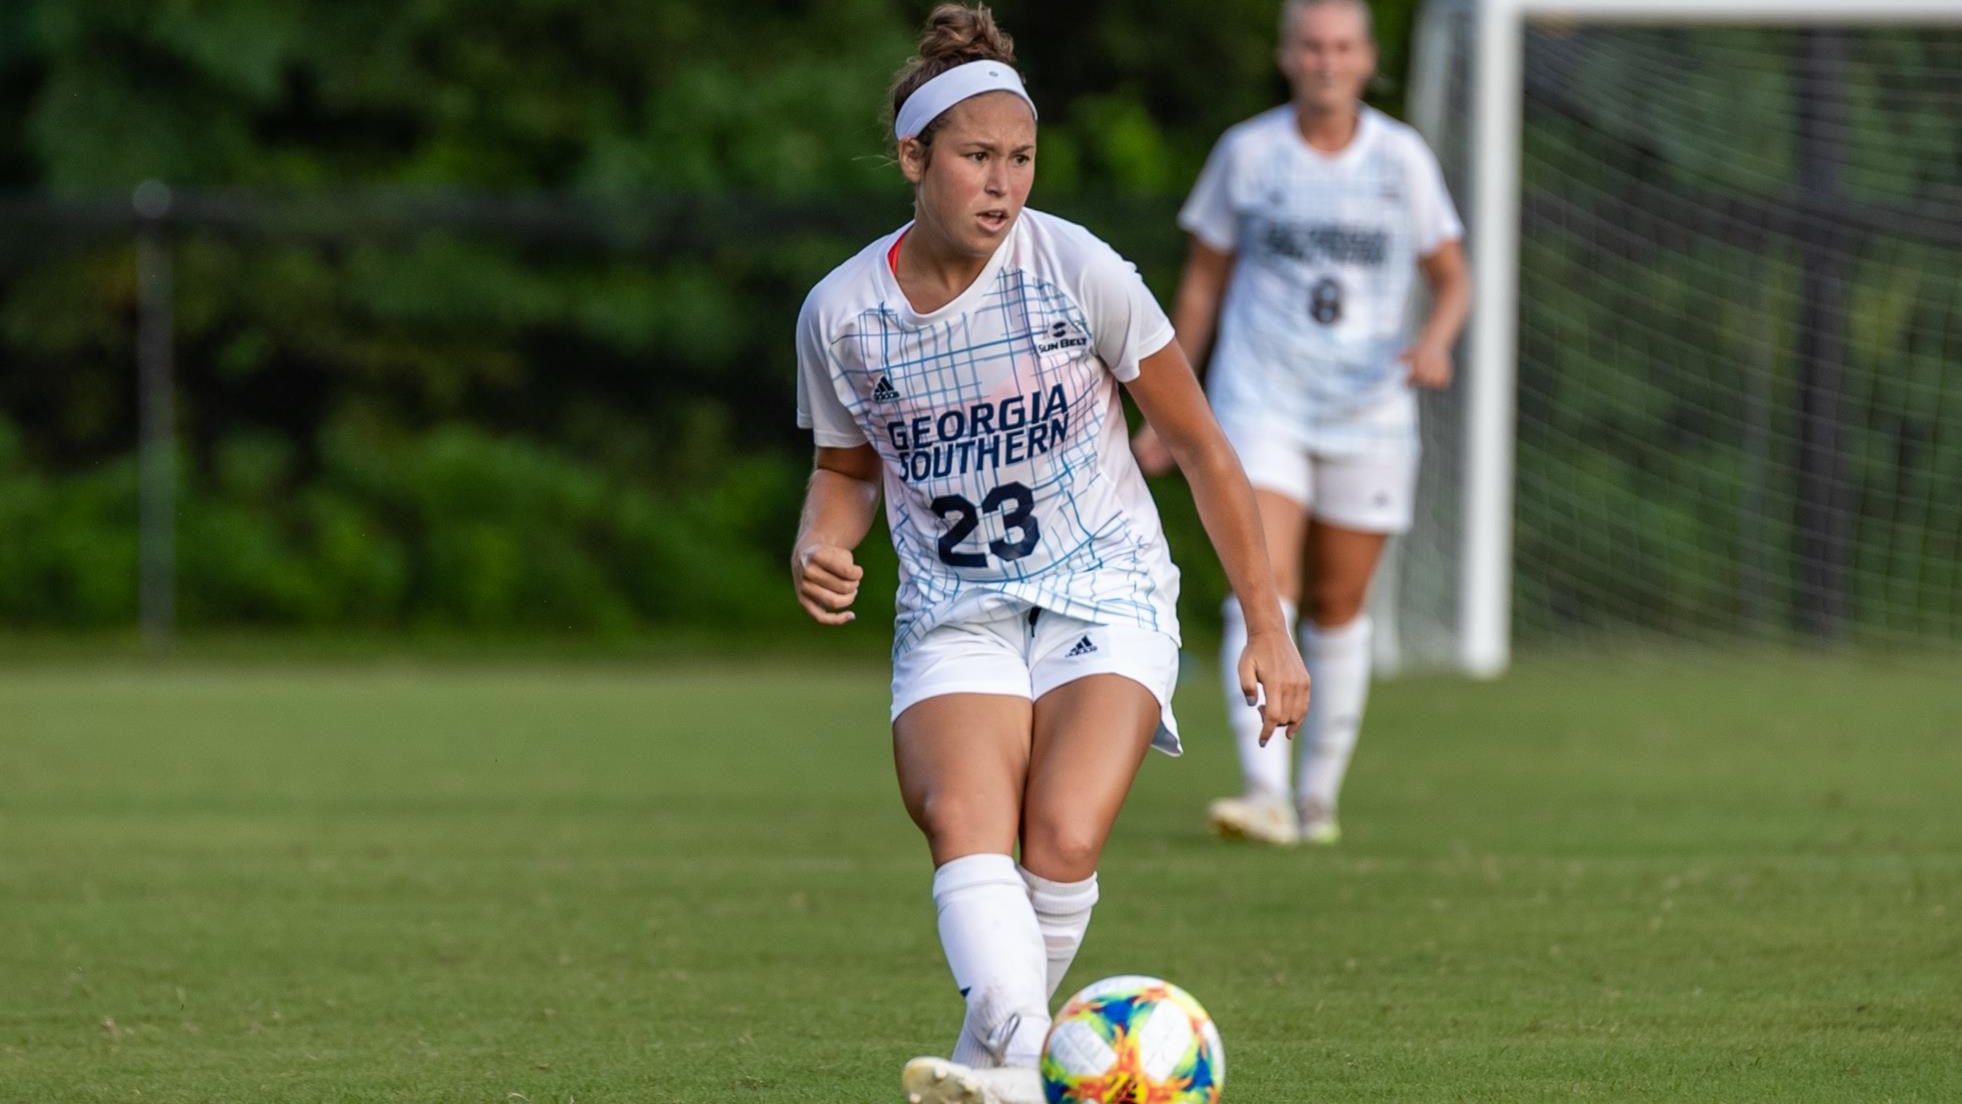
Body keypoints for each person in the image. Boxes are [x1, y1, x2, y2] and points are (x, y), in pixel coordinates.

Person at [790, 5, 1310, 1101]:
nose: (1002, 183)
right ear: (913, 157)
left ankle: (1001, 1066)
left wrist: (1268, 624)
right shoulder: (841, 314)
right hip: (956, 607)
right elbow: (846, 471)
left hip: (1103, 588)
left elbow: (1208, 450)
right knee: (961, 823)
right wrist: (820, 545)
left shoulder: (1077, 270)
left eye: (1019, 159)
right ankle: (1017, 1071)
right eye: (976, 157)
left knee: (1063, 837)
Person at [1133, 0, 1472, 847]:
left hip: (1369, 408)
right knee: (1264, 589)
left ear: (1367, 60)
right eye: (1312, 46)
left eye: (1343, 47)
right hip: (1263, 398)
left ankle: (1318, 799)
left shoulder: (1401, 160)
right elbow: (1203, 284)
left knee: (1339, 604)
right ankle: (1265, 792)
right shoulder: (1248, 154)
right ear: (1288, 57)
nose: (1327, 60)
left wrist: (1434, 341)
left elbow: (1453, 276)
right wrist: (1168, 409)